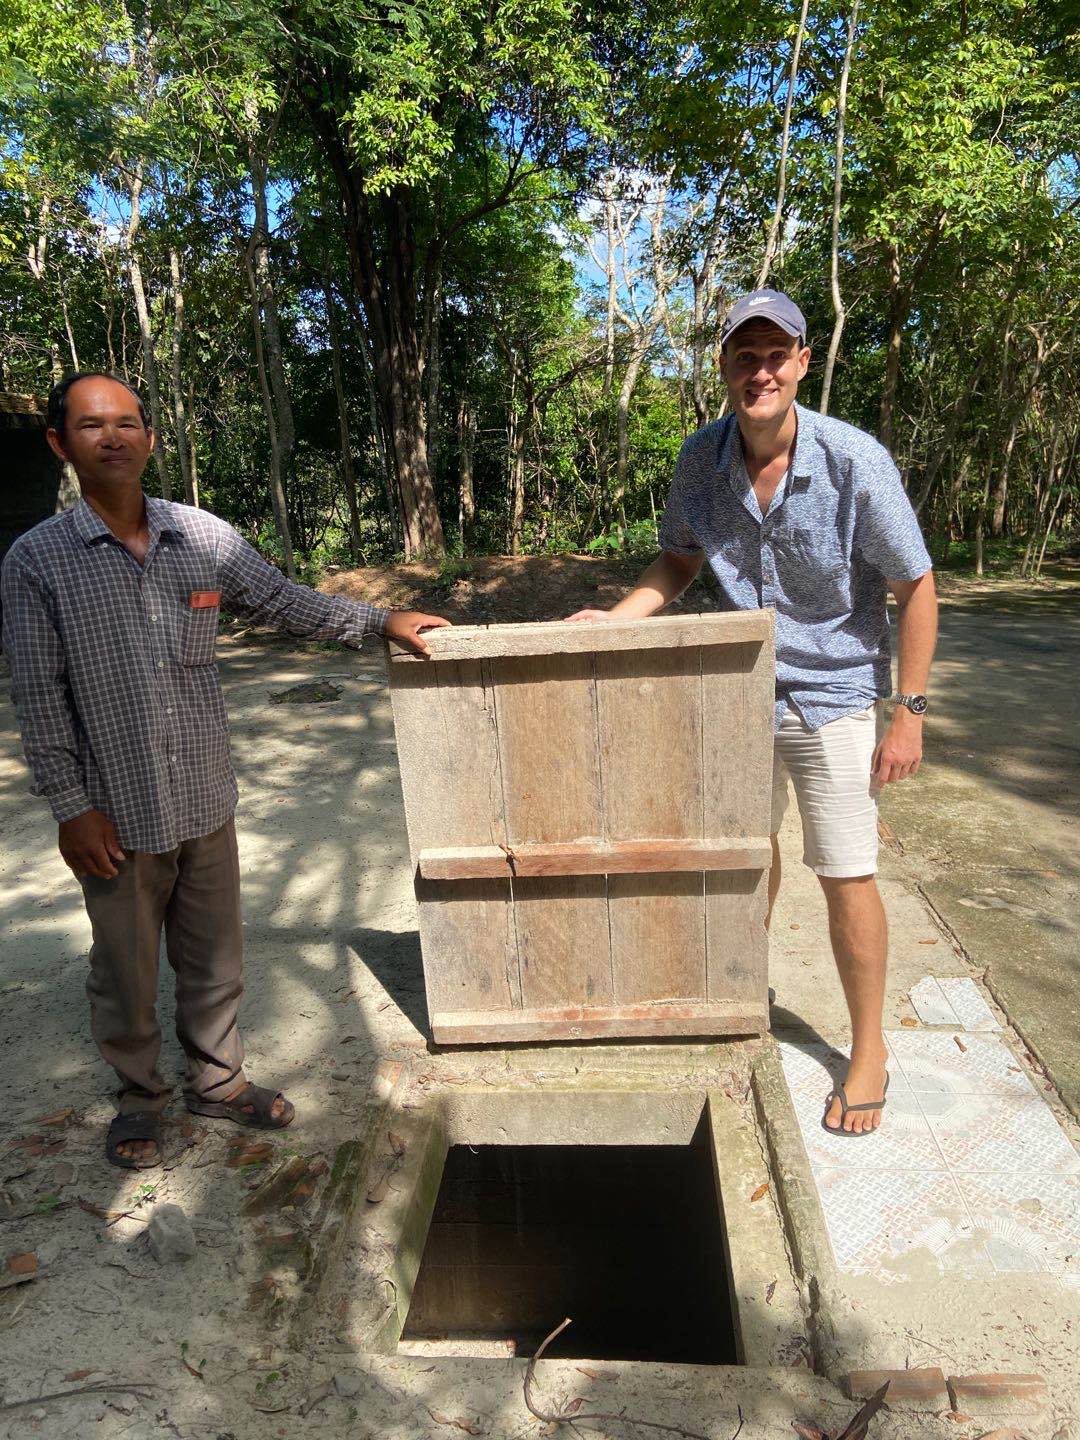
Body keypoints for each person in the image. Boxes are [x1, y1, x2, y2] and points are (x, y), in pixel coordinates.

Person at [1, 372, 449, 1169]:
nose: (114, 437)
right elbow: (38, 694)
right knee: (126, 971)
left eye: (128, 422)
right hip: (116, 810)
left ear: (151, 436)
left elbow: (285, 601)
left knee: (214, 961)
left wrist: (382, 619)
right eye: (92, 425)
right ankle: (140, 1098)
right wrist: (71, 806)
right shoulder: (37, 561)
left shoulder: (200, 538)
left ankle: (218, 1082)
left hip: (206, 797)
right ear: (59, 443)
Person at [569, 288, 937, 1135]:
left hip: (836, 693)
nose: (760, 369)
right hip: (736, 689)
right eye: (745, 355)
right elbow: (678, 560)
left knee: (845, 869)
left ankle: (869, 1046)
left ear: (803, 362)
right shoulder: (701, 460)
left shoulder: (854, 461)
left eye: (777, 354)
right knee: (737, 855)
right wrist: (618, 617)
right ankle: (739, 999)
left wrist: (908, 712)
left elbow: (915, 584)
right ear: (724, 367)